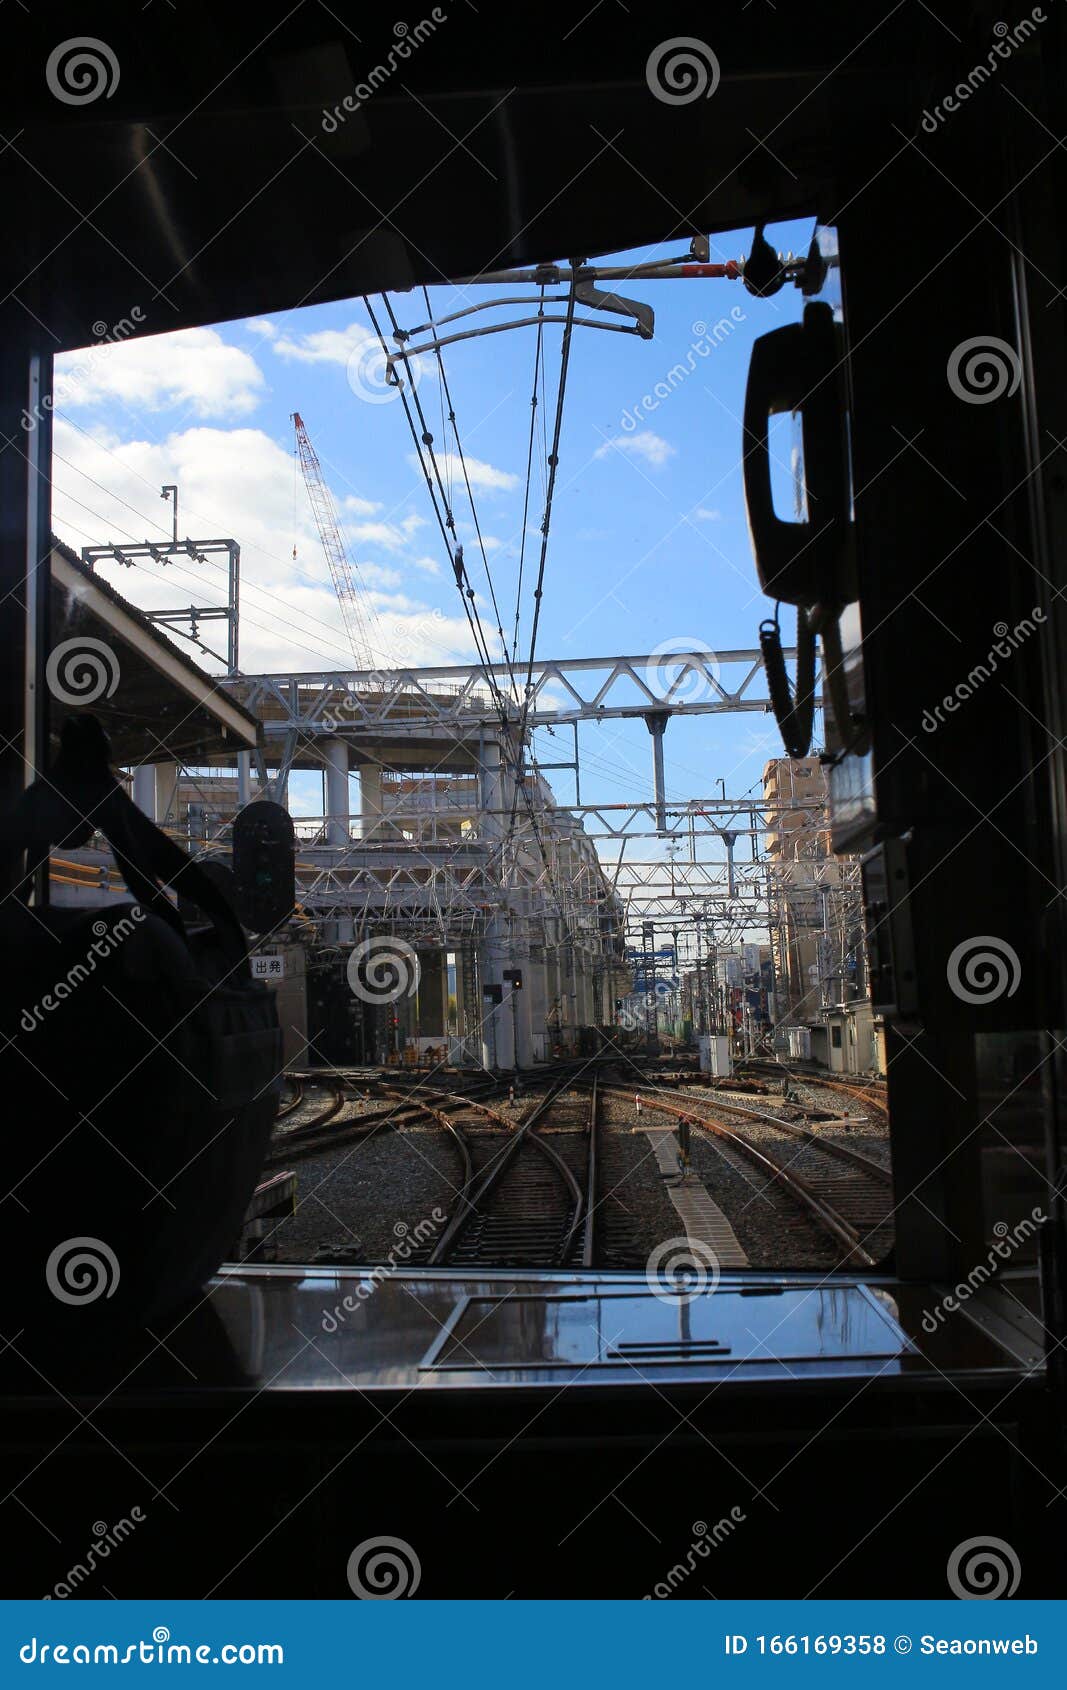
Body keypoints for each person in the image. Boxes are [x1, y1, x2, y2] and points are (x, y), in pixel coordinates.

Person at [676, 1114, 692, 1180]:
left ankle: (686, 1173)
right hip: (683, 1147)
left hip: (685, 1147)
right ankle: (686, 1173)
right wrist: (681, 1118)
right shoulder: (683, 1126)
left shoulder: (684, 1126)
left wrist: (682, 1118)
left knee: (684, 1159)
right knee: (684, 1158)